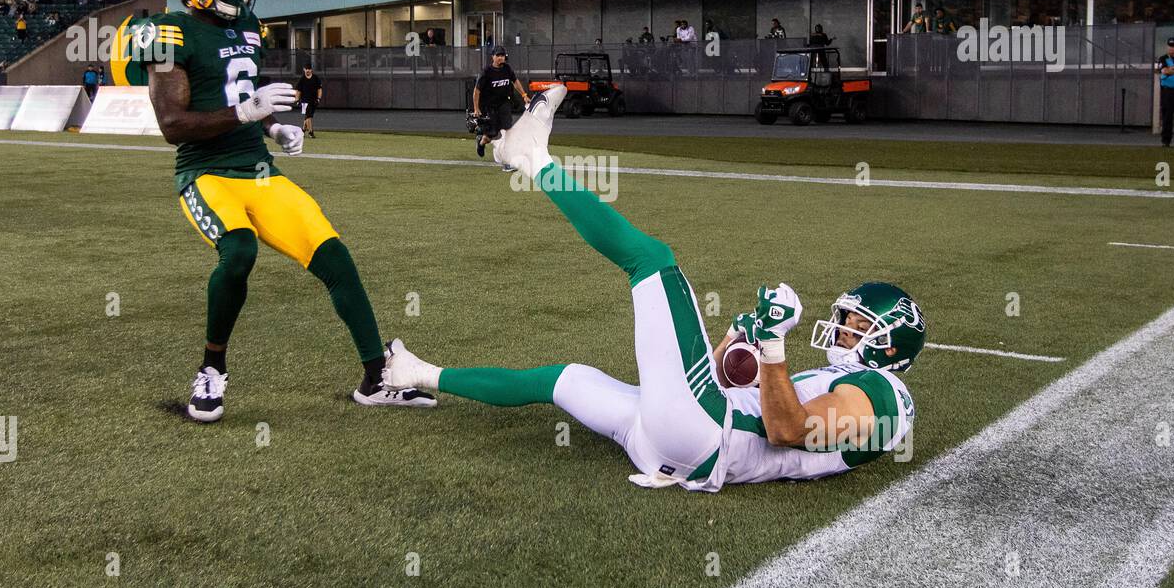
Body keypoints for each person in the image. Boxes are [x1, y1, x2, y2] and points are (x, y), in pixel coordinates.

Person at [384, 85, 922, 492]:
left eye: (857, 327)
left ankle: (533, 159)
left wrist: (776, 346)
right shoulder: (840, 380)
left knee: (651, 260)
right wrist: (743, 340)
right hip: (671, 439)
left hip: (705, 433)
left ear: (890, 344)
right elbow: (721, 380)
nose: (842, 332)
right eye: (846, 321)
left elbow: (787, 431)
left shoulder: (886, 396)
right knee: (560, 379)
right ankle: (416, 374)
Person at [135, 0, 434, 421]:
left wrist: (273, 126)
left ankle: (375, 378)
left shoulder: (247, 26)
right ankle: (211, 370)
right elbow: (173, 125)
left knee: (334, 256)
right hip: (206, 173)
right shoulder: (167, 32)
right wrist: (248, 112)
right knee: (239, 251)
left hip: (260, 172)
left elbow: (244, 92)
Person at [471, 46, 529, 166]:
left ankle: (507, 160)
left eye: (502, 55)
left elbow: (515, 81)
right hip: (489, 106)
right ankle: (481, 142)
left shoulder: (507, 69)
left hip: (504, 104)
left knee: (507, 131)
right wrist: (476, 108)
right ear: (493, 57)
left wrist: (524, 95)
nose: (500, 58)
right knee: (490, 135)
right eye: (498, 55)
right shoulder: (486, 72)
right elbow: (477, 91)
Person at [295, 63, 322, 139]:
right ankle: (311, 132)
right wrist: (297, 100)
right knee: (308, 116)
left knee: (308, 116)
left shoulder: (316, 78)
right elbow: (298, 90)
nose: (308, 70)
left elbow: (319, 89)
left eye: (309, 69)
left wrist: (319, 98)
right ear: (304, 70)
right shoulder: (302, 79)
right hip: (304, 101)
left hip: (313, 100)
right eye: (306, 69)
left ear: (311, 70)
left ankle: (303, 130)